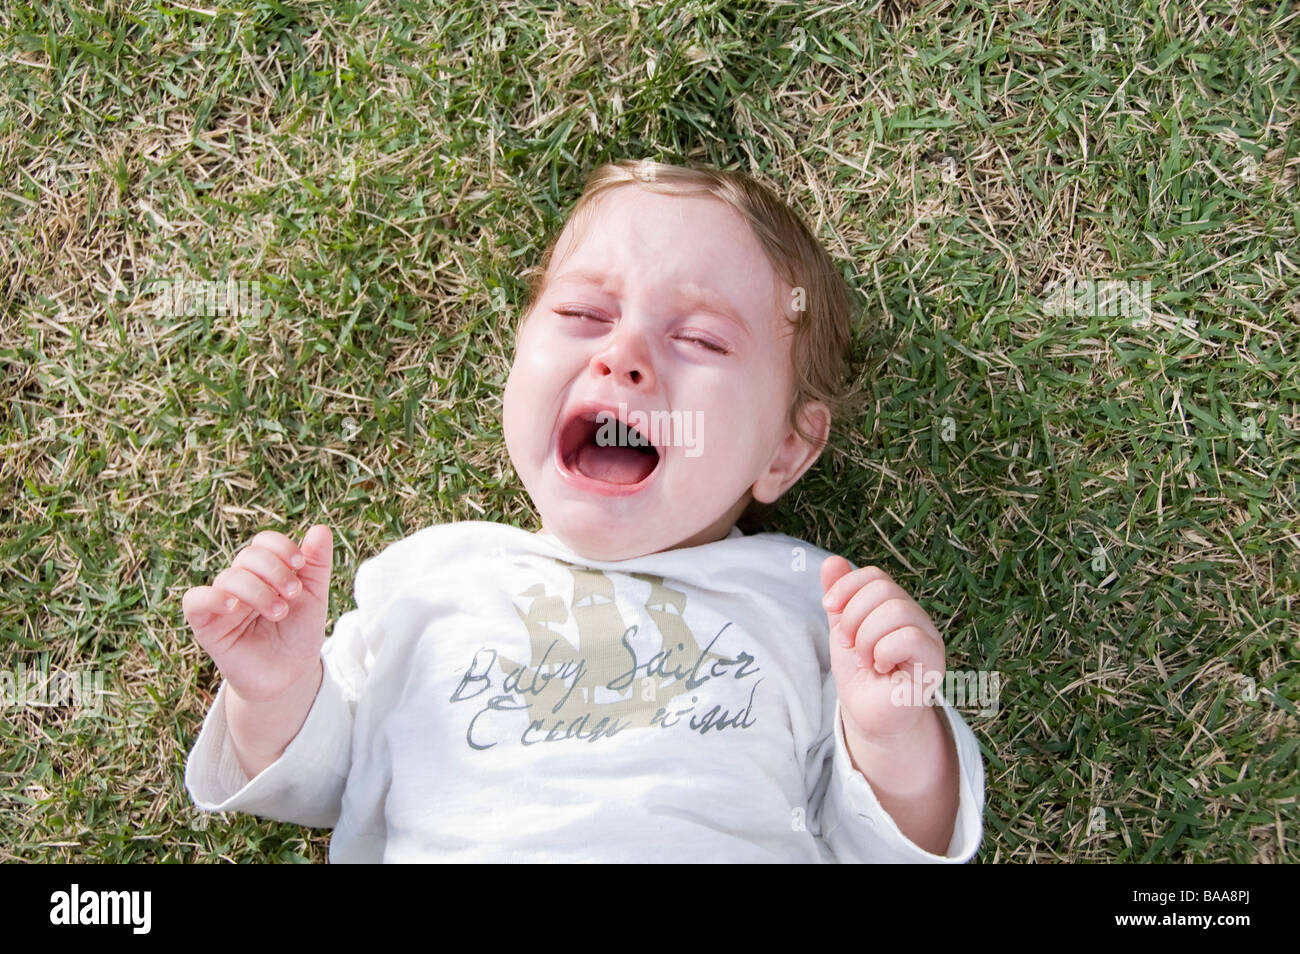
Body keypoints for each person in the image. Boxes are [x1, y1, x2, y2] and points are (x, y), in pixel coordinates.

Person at [182, 159, 985, 862]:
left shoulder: (810, 606)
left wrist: (891, 736)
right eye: (582, 316)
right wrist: (278, 691)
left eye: (701, 340)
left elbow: (888, 846)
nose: (623, 355)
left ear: (784, 448)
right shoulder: (432, 580)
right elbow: (317, 788)